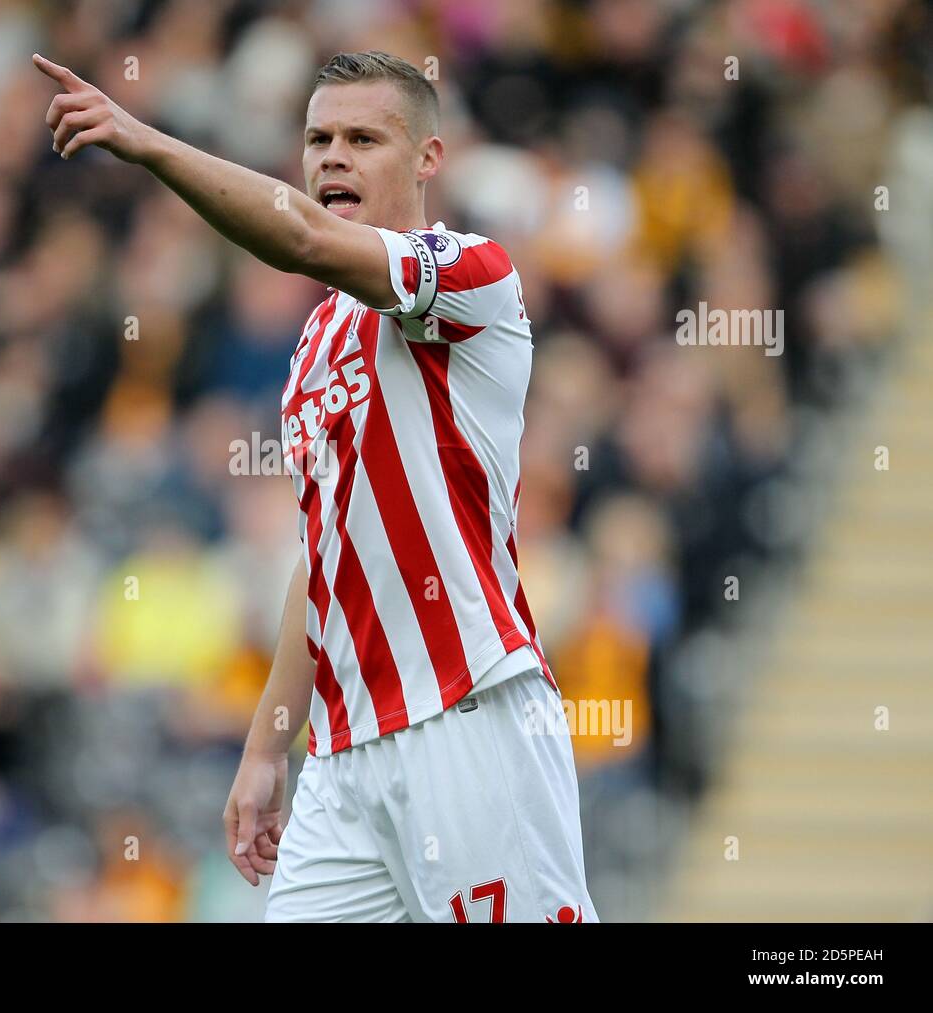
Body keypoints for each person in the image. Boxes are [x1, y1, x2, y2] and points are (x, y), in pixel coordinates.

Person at [33, 47, 598, 923]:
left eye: (364, 137)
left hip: (467, 713)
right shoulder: (316, 342)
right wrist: (267, 747)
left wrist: (146, 143)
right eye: (319, 137)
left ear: (428, 159)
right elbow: (326, 553)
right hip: (343, 754)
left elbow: (299, 236)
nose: (333, 155)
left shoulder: (473, 274)